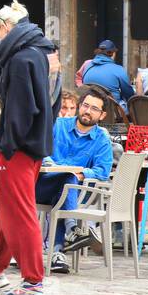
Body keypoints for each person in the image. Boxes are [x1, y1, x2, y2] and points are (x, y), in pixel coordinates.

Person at [0, 0, 53, 295]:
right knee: (9, 211)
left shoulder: (18, 60)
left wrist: (7, 144)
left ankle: (33, 281)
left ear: (5, 28)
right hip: (32, 147)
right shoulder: (38, 55)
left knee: (19, 213)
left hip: (17, 147)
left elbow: (20, 109)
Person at [35, 86, 114, 275]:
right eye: (86, 105)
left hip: (74, 193)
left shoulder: (102, 139)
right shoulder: (58, 125)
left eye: (94, 108)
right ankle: (72, 232)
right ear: (80, 106)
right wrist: (53, 165)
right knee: (66, 179)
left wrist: (82, 174)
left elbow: (102, 172)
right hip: (43, 185)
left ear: (102, 115)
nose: (88, 111)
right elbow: (42, 150)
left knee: (68, 181)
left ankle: (58, 252)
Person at [80, 40, 133, 108]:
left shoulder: (87, 66)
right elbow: (128, 94)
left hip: (90, 108)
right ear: (113, 54)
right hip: (112, 111)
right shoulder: (119, 69)